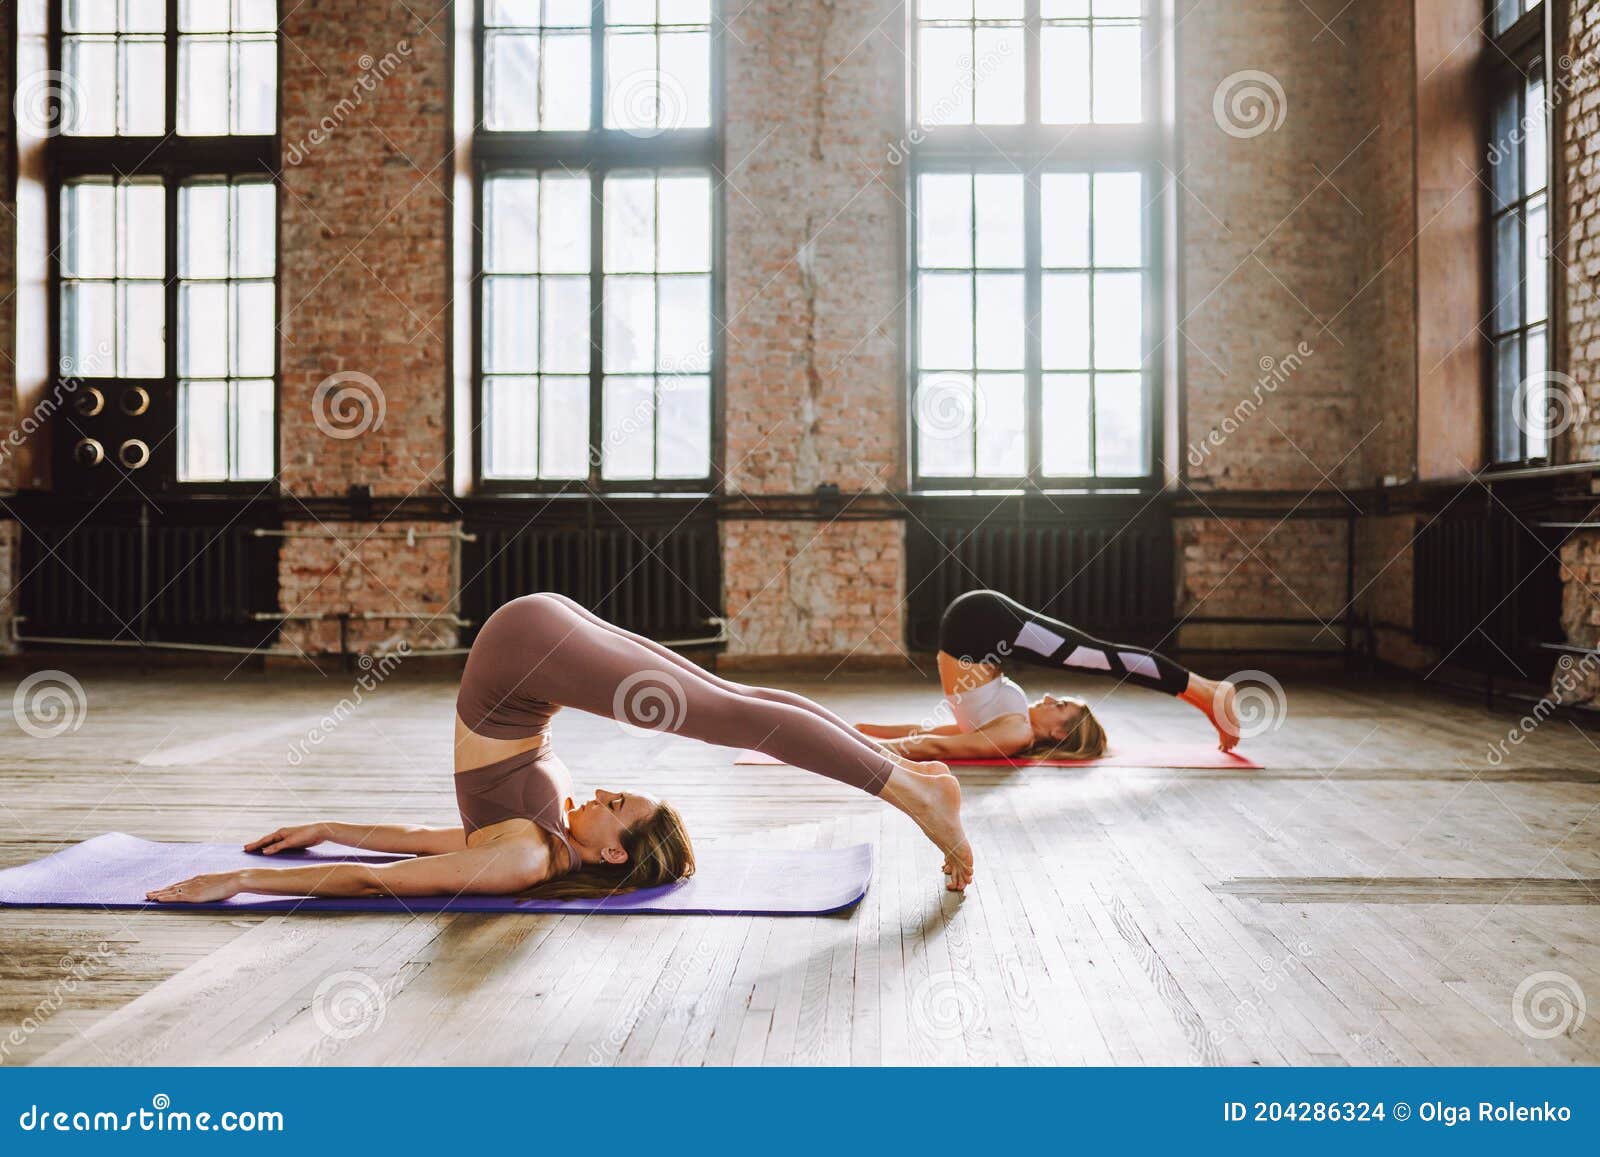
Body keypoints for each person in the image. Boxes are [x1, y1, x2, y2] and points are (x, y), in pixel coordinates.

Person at [146, 592, 974, 906]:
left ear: (610, 854)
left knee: (738, 711)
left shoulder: (522, 861)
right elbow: (425, 843)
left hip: (529, 650)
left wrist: (248, 875)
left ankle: (909, 790)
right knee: (739, 706)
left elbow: (390, 871)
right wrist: (325, 822)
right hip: (530, 653)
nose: (607, 791)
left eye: (616, 805)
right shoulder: (537, 845)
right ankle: (906, 777)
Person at [856, 589, 1240, 763]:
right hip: (980, 627)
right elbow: (929, 740)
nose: (1052, 698)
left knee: (1102, 658)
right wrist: (856, 737)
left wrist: (858, 741)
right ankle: (1205, 692)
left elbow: (932, 744)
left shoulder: (1015, 733)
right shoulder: (1014, 724)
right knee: (1098, 657)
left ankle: (1205, 692)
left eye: (1061, 707)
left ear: (1059, 734)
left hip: (978, 627)